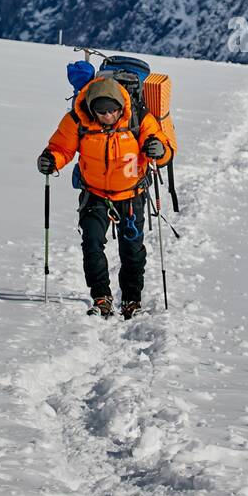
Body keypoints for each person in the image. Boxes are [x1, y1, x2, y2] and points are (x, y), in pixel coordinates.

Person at [37, 76, 170, 319]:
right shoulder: (78, 120)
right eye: (101, 111)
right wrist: (51, 160)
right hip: (94, 194)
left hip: (131, 195)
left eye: (112, 111)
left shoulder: (139, 118)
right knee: (92, 244)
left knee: (132, 250)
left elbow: (163, 148)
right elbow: (61, 148)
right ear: (92, 108)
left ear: (121, 106)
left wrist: (158, 150)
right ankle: (101, 297)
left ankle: (131, 300)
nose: (107, 116)